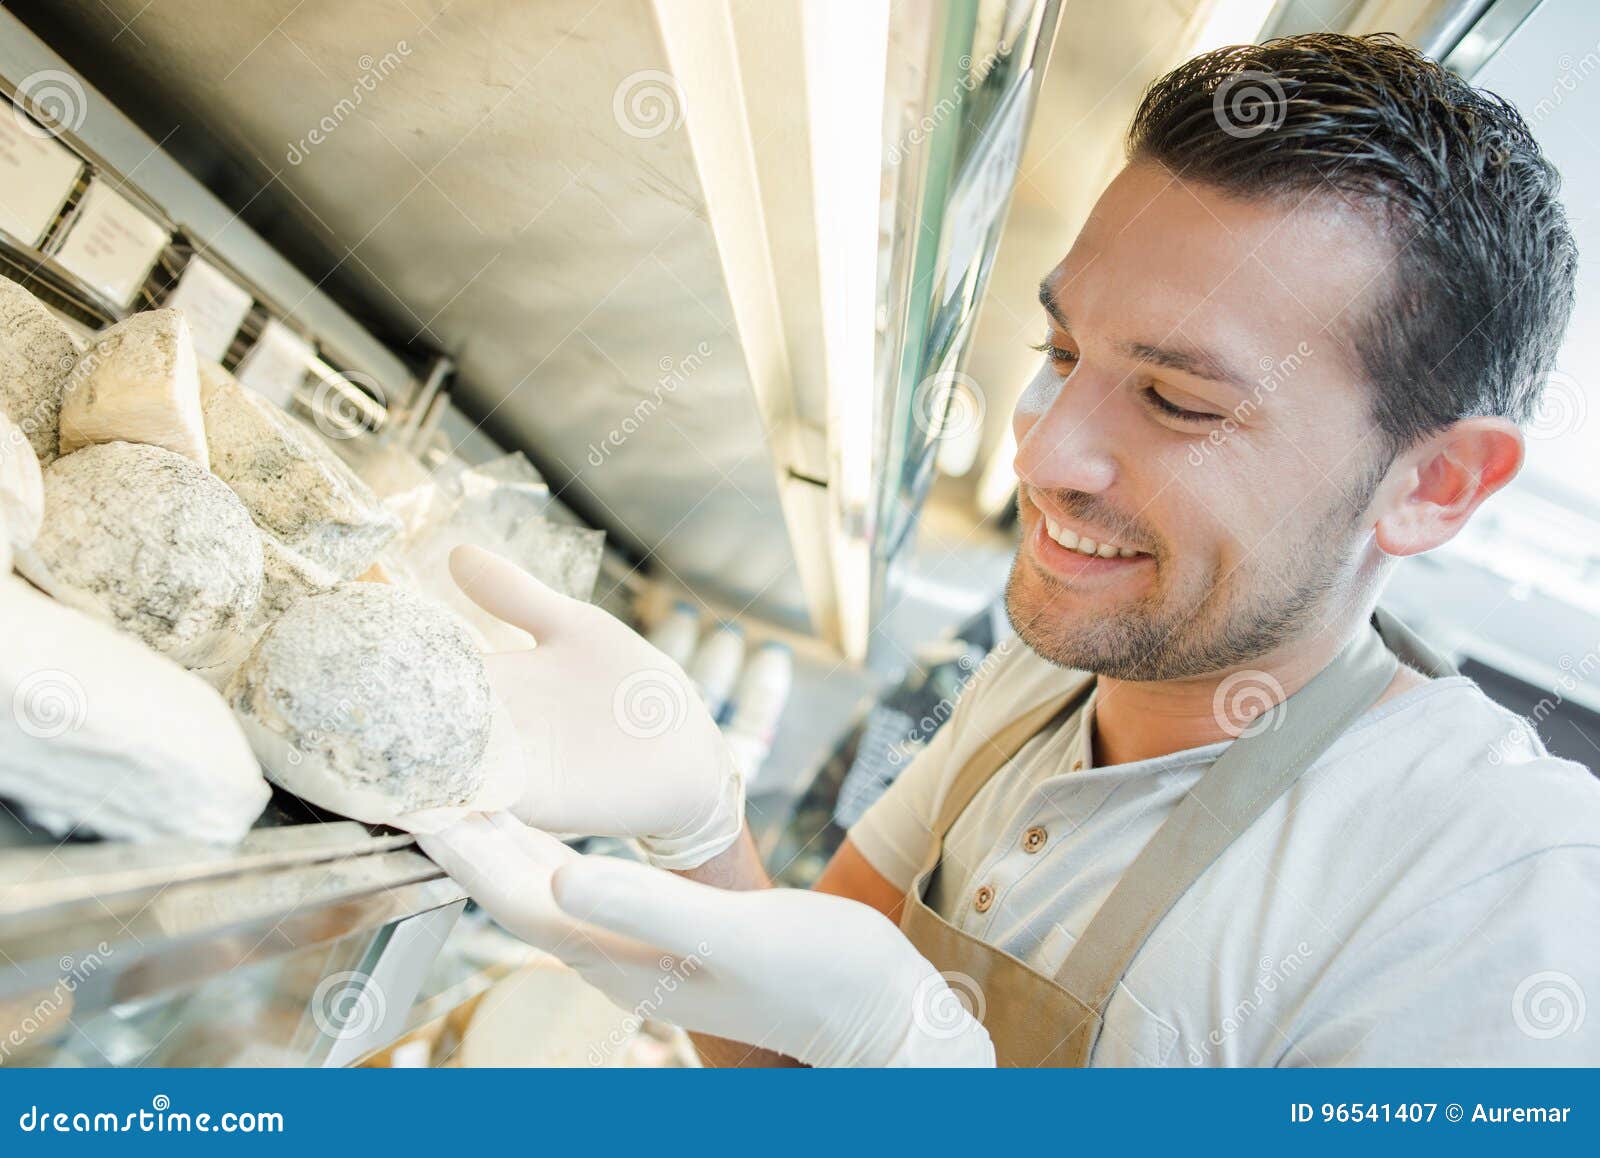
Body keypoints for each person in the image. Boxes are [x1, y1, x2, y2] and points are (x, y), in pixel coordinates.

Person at [423, 33, 1600, 1067]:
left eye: (1177, 401)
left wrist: (916, 1071)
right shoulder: (1047, 672)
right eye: (1060, 349)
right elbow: (783, 1075)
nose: (1046, 458)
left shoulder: (1505, 887)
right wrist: (695, 829)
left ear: (1433, 484)